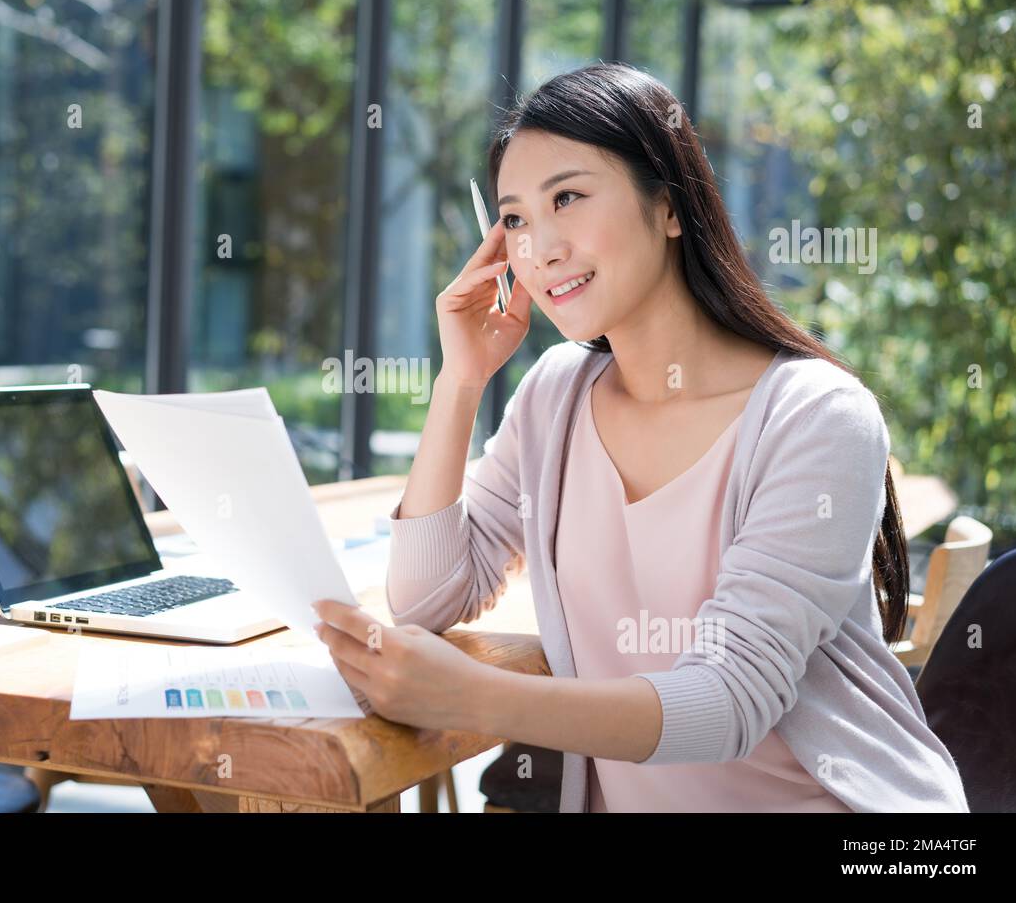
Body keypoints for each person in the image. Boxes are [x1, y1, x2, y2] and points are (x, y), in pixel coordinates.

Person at [313, 62, 968, 812]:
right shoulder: (554, 396)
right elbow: (427, 597)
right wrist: (459, 382)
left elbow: (727, 699)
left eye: (568, 197)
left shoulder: (816, 416)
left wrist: (479, 699)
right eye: (517, 218)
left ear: (669, 207)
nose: (540, 248)